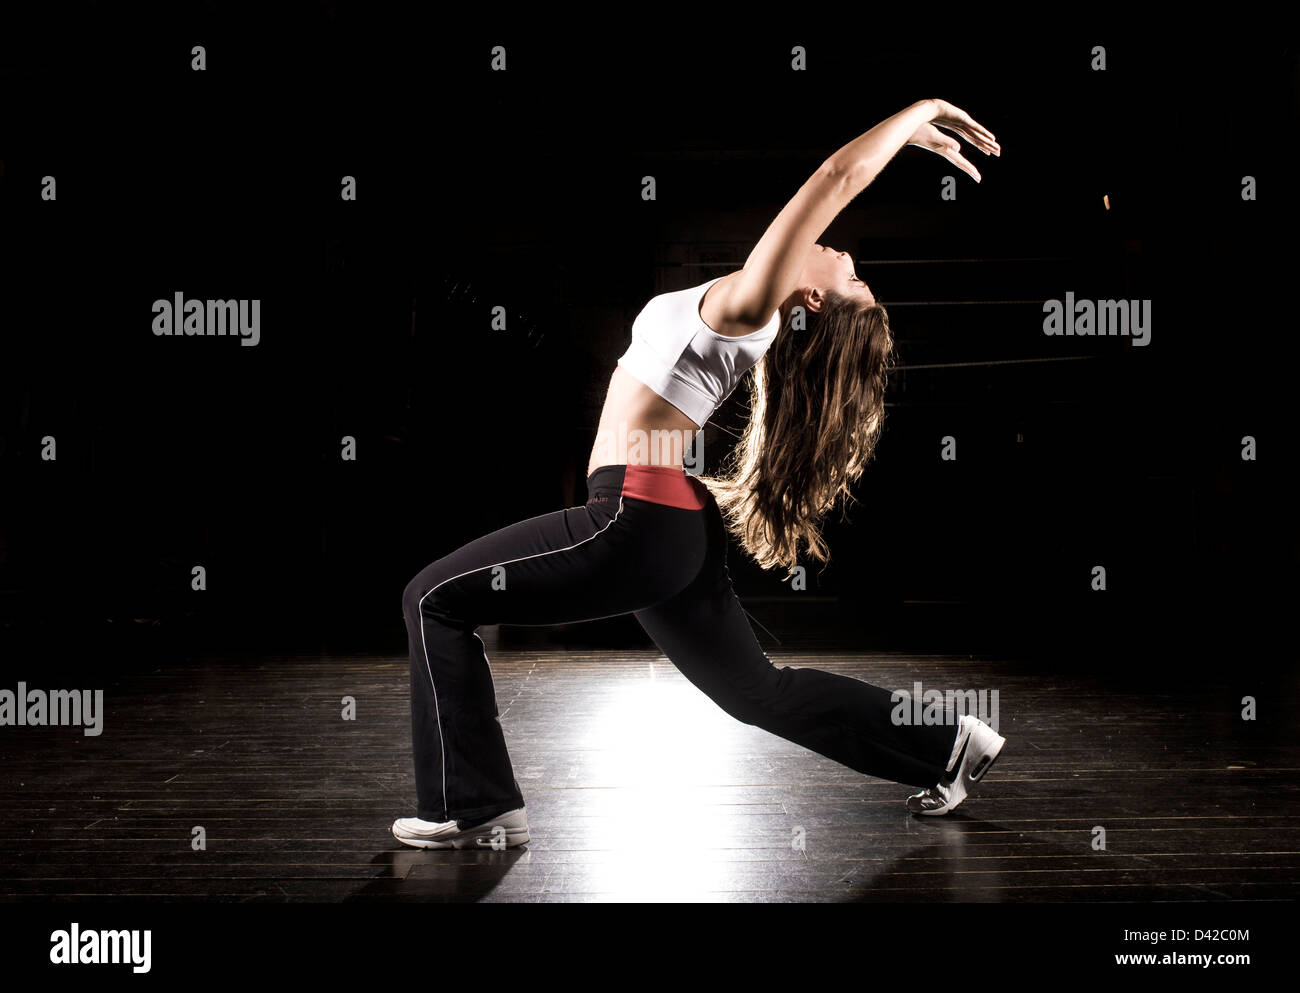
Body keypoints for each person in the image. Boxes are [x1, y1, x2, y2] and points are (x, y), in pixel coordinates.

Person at [394, 98, 1005, 850]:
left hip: (636, 514)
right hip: (667, 524)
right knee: (758, 691)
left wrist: (917, 115)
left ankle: (475, 804)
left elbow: (837, 174)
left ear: (809, 297)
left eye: (852, 276)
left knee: (431, 598)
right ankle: (948, 743)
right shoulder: (745, 313)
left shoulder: (750, 307)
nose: (846, 257)